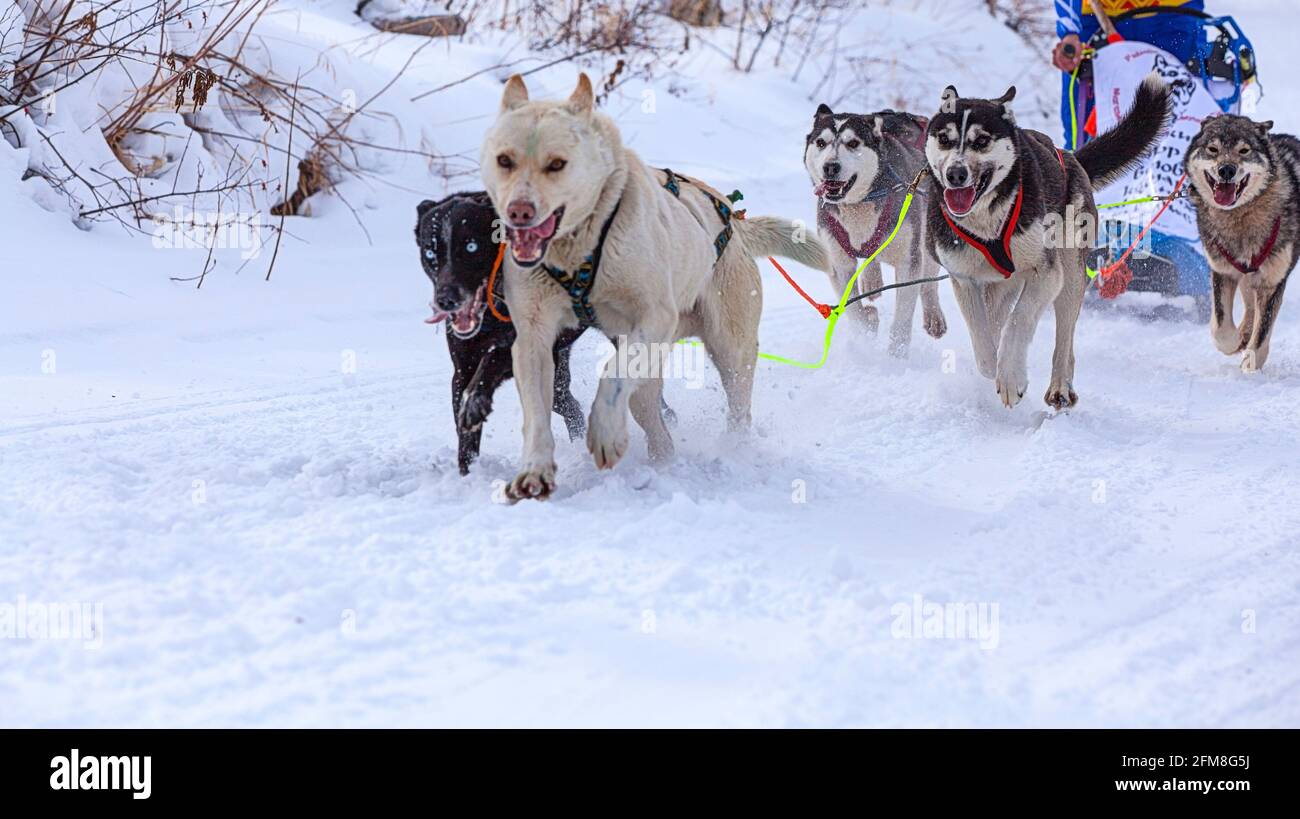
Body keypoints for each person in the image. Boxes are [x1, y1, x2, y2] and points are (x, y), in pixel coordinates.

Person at [1053, 1, 1206, 148]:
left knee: (1184, 125)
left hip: (1171, 16)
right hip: (1093, 19)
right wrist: (1070, 30)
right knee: (1083, 135)